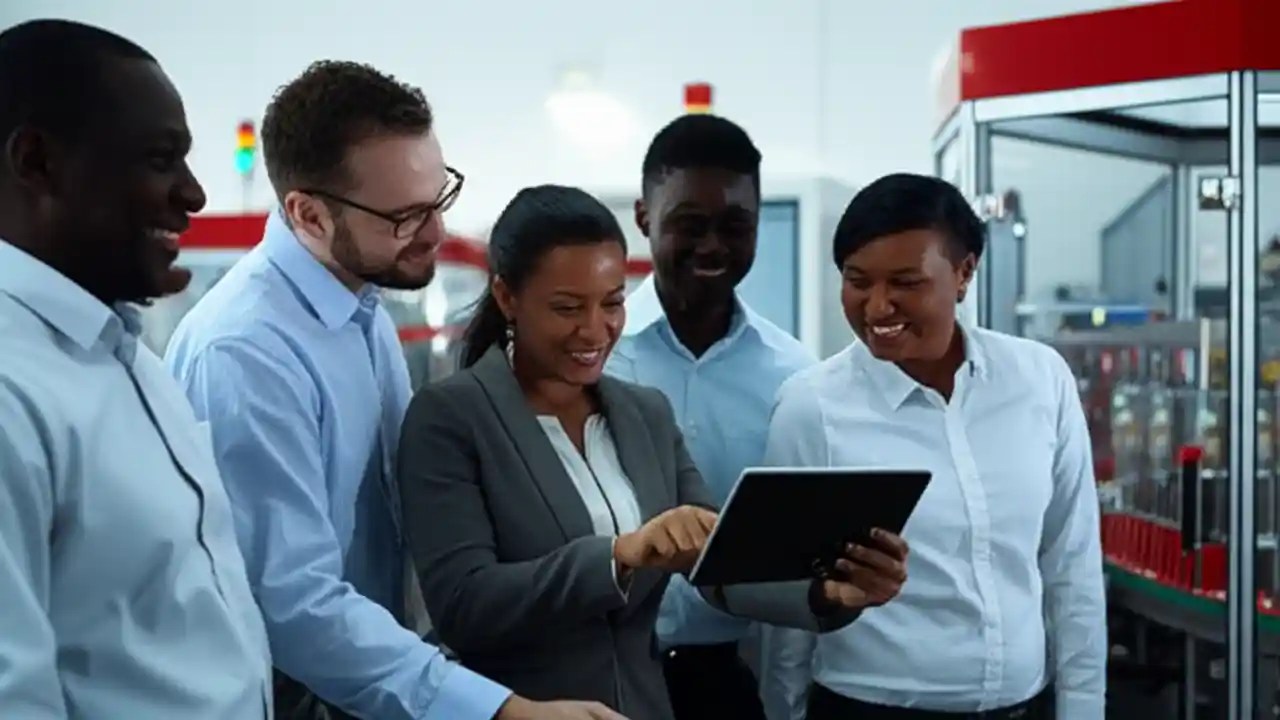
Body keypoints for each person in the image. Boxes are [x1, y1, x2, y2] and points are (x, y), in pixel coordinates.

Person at [165, 61, 616, 720]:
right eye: (405, 216)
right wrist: (497, 709)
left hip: (374, 678)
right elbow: (296, 607)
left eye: (440, 197)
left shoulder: (362, 308)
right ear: (308, 215)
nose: (435, 233)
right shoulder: (246, 353)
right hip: (294, 692)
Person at [396, 183, 912, 720]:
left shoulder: (645, 414)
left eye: (613, 302)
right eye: (568, 308)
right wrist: (619, 556)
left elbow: (719, 564)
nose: (595, 330)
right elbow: (463, 605)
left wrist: (829, 593)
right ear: (507, 298)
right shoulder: (450, 418)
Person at [0, 19, 272, 718]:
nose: (194, 194)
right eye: (160, 159)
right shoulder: (13, 391)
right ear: (37, 162)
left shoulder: (129, 361)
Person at [759, 173, 1106, 720]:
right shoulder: (812, 407)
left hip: (1025, 706)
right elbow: (786, 604)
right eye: (856, 280)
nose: (876, 308)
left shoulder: (1039, 380)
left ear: (964, 273)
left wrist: (1083, 709)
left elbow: (1072, 563)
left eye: (905, 282)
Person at [602, 114, 814, 720]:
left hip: (731, 677)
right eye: (689, 225)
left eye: (735, 226)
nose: (713, 245)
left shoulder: (794, 375)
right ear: (644, 217)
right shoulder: (594, 359)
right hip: (601, 670)